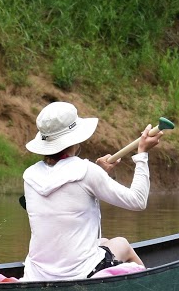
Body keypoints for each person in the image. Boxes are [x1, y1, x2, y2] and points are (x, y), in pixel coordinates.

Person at [21, 101, 163, 281]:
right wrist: (142, 153)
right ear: (75, 138)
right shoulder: (87, 171)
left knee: (103, 242)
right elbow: (138, 201)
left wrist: (99, 173)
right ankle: (149, 290)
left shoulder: (29, 175)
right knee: (122, 244)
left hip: (37, 272)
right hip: (79, 272)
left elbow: (68, 193)